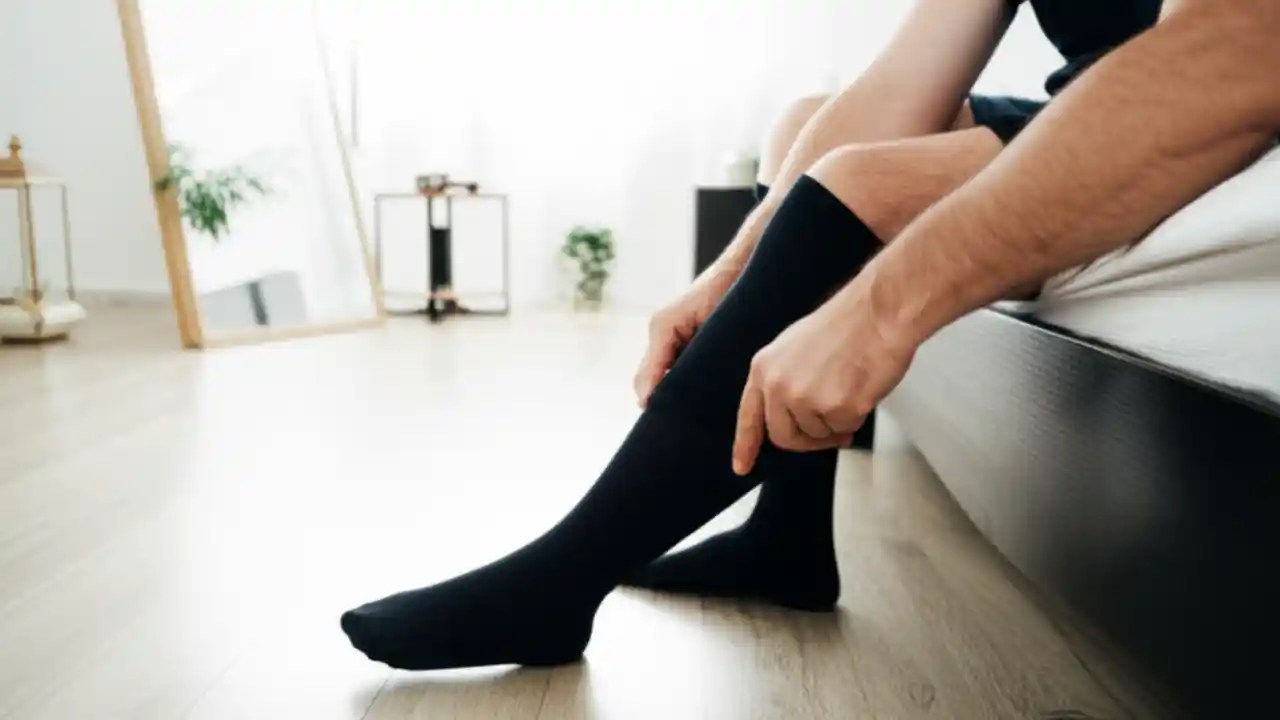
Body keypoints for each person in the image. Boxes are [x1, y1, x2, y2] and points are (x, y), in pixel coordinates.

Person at [342, 0, 1280, 670]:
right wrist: (731, 270)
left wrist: (878, 311)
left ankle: (560, 584)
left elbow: (1243, 46)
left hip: (1199, 106)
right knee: (808, 125)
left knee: (865, 183)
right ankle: (786, 538)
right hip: (1090, 101)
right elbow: (895, 89)